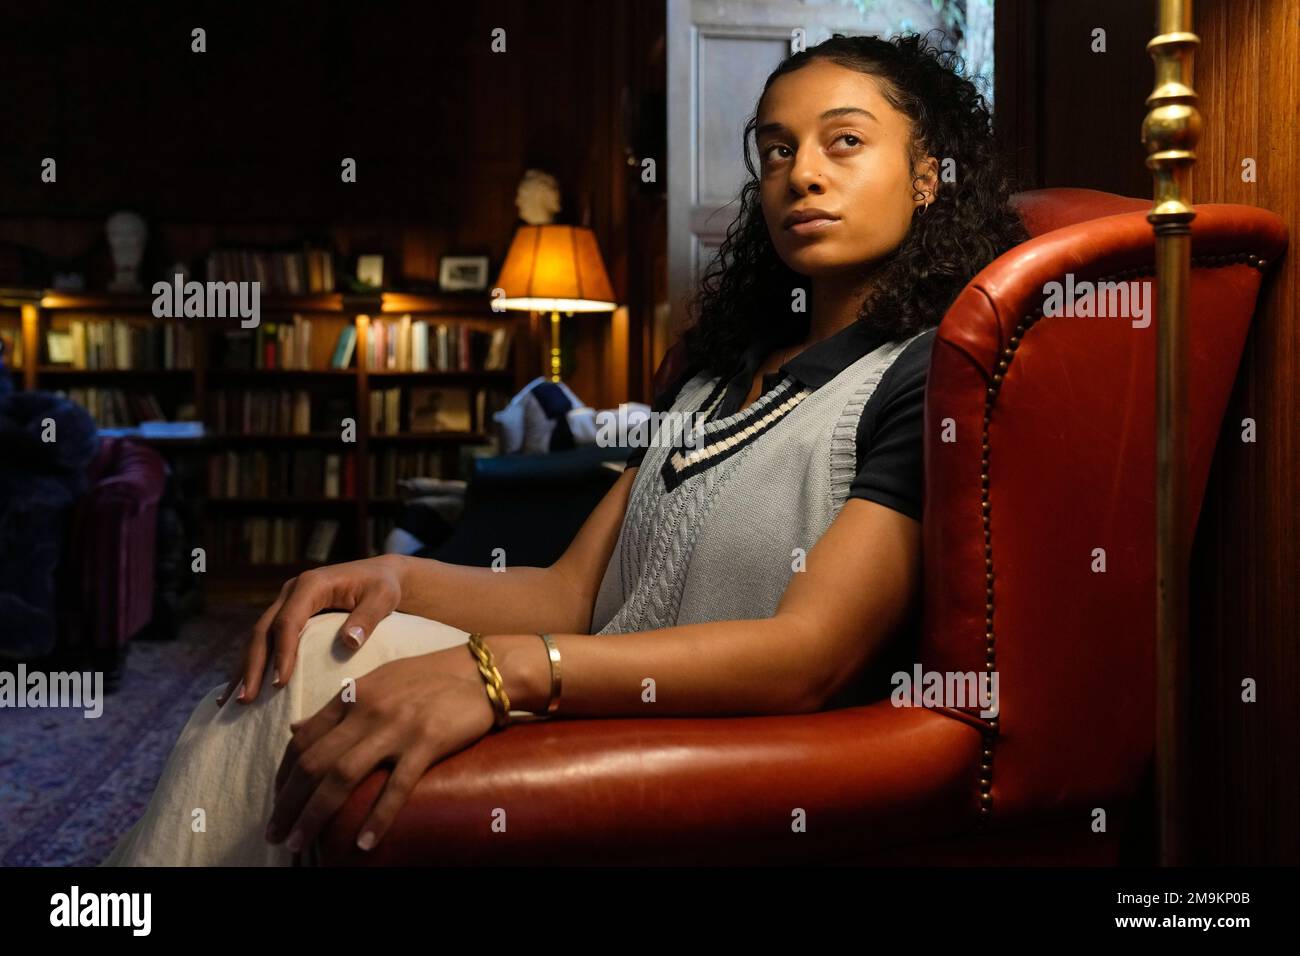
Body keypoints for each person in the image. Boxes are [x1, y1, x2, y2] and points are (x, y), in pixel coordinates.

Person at [101, 32, 1028, 866]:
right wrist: (388, 576)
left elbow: (806, 655)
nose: (802, 174)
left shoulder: (923, 379)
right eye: (778, 149)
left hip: (708, 747)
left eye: (844, 141)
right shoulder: (714, 372)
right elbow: (572, 592)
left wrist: (501, 673)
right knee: (320, 644)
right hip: (590, 695)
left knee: (319, 682)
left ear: (927, 174)